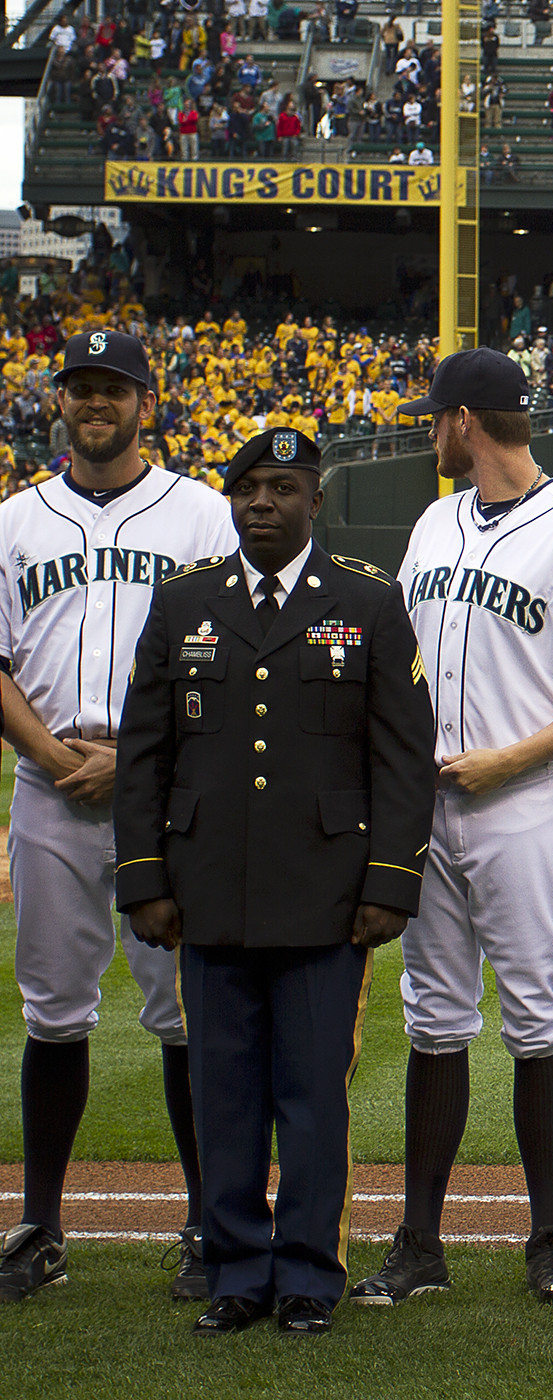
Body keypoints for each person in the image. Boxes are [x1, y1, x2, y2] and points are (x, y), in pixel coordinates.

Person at [113, 429, 436, 1337]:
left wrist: (390, 882)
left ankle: (306, 1276)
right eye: (248, 487)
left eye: (283, 487)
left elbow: (404, 754)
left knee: (311, 1097)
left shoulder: (366, 600)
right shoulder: (184, 601)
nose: (262, 501)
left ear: (315, 500)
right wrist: (144, 878)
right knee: (224, 1095)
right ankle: (234, 1273)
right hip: (207, 889)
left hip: (327, 894)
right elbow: (145, 752)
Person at [349, 348, 553, 1308]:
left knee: (535, 1018)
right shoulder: (435, 522)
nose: (429, 434)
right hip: (426, 804)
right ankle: (419, 1245)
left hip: (523, 806)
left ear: (465, 421)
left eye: (434, 418)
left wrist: (512, 759)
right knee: (435, 1018)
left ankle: (548, 1243)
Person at [0, 330, 240, 1306]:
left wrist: (137, 757)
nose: (96, 402)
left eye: (114, 388)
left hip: (168, 790)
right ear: (58, 401)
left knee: (182, 1012)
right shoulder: (15, 520)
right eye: (81, 388)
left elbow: (233, 658)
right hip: (48, 785)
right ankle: (40, 1224)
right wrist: (54, 755)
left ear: (146, 399)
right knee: (54, 1010)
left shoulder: (204, 514)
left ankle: (207, 1223)